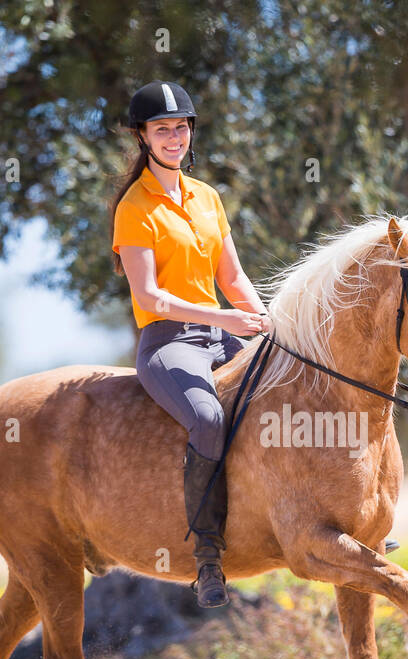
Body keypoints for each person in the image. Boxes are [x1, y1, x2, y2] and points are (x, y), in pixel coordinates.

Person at [110, 81, 271, 608]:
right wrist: (222, 317)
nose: (174, 136)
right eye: (163, 129)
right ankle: (207, 557)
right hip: (169, 343)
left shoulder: (208, 198)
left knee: (297, 385)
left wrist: (265, 318)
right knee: (206, 419)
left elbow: (235, 277)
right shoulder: (135, 207)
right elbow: (151, 298)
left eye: (181, 127)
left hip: (223, 333)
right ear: (143, 137)